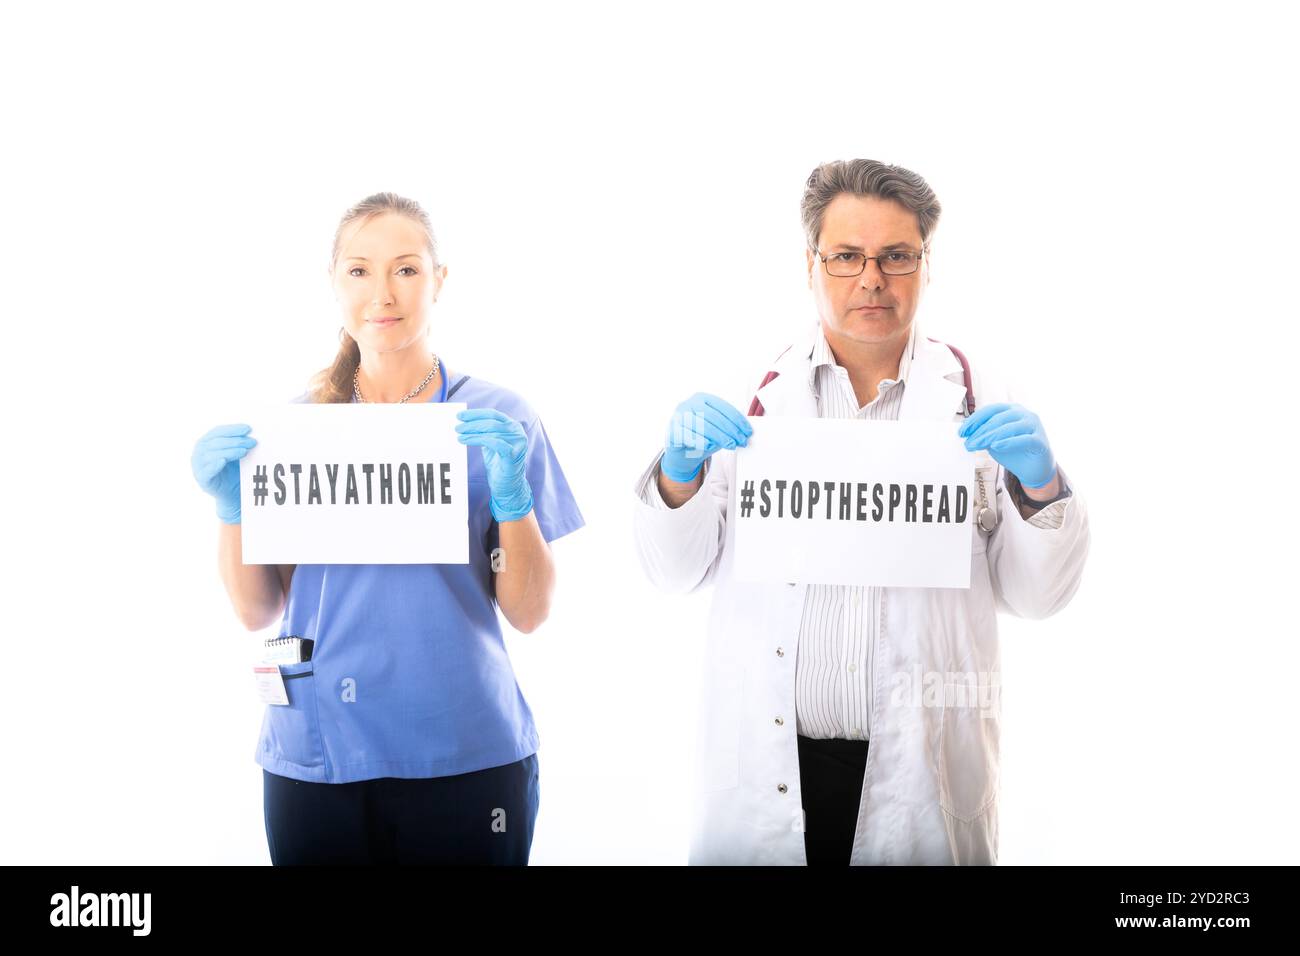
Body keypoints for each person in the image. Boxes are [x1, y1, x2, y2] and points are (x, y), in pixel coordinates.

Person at [631, 159, 1090, 865]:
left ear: (927, 265)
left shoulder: (982, 399)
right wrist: (679, 475)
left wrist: (1039, 487)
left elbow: (1037, 598)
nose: (871, 278)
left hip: (920, 774)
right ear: (809, 264)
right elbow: (672, 573)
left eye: (896, 256)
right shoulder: (749, 398)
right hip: (770, 768)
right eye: (846, 256)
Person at [190, 192, 584, 864]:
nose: (383, 292)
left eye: (405, 269)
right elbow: (259, 609)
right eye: (359, 271)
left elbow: (530, 612)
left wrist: (513, 498)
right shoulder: (293, 432)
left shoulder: (497, 417)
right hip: (318, 758)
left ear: (439, 280)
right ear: (333, 284)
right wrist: (233, 512)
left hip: (464, 754)